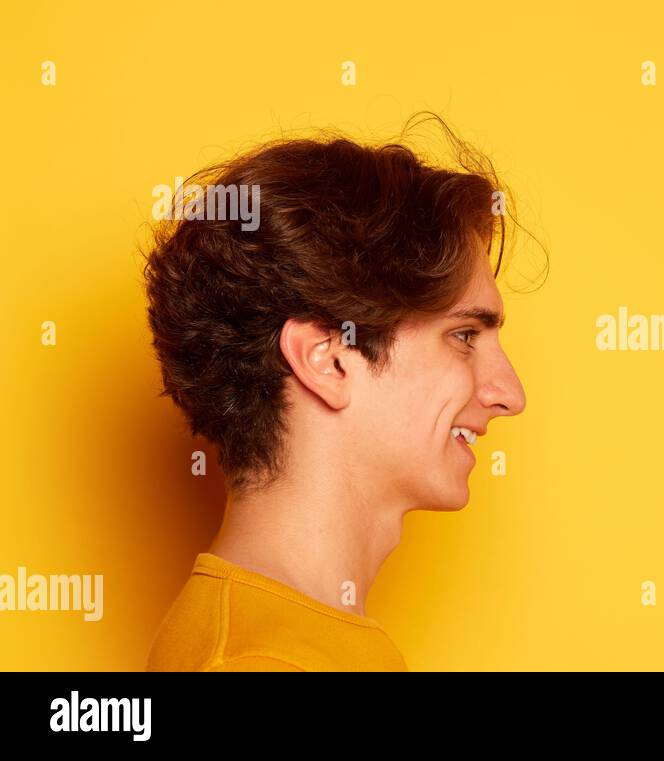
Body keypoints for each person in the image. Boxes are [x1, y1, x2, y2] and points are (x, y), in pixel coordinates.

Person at [144, 116, 529, 671]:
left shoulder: (297, 645)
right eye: (464, 336)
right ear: (329, 359)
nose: (509, 394)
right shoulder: (260, 663)